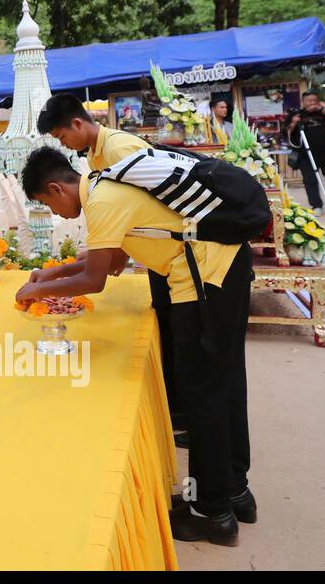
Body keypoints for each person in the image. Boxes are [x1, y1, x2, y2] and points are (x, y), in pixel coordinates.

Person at [17, 146, 255, 546]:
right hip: (220, 270)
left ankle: (212, 513)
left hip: (204, 281)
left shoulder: (104, 201)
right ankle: (233, 492)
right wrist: (52, 275)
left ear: (56, 188)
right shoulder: (105, 186)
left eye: (47, 203)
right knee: (222, 384)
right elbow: (110, 261)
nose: (55, 214)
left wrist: (35, 288)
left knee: (203, 393)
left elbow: (96, 280)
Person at [36, 94, 185, 441]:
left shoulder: (117, 151)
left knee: (189, 351)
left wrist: (43, 287)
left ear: (77, 123)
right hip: (165, 259)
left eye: (62, 137)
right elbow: (116, 248)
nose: (65, 145)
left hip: (185, 253)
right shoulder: (96, 158)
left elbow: (157, 208)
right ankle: (179, 414)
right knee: (175, 344)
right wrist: (60, 272)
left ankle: (187, 421)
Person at [287, 92, 325, 215]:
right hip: (306, 156)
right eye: (309, 100)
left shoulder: (323, 113)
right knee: (310, 181)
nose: (312, 103)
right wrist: (294, 122)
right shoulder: (297, 114)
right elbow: (287, 131)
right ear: (303, 102)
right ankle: (316, 206)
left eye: (314, 100)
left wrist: (322, 109)